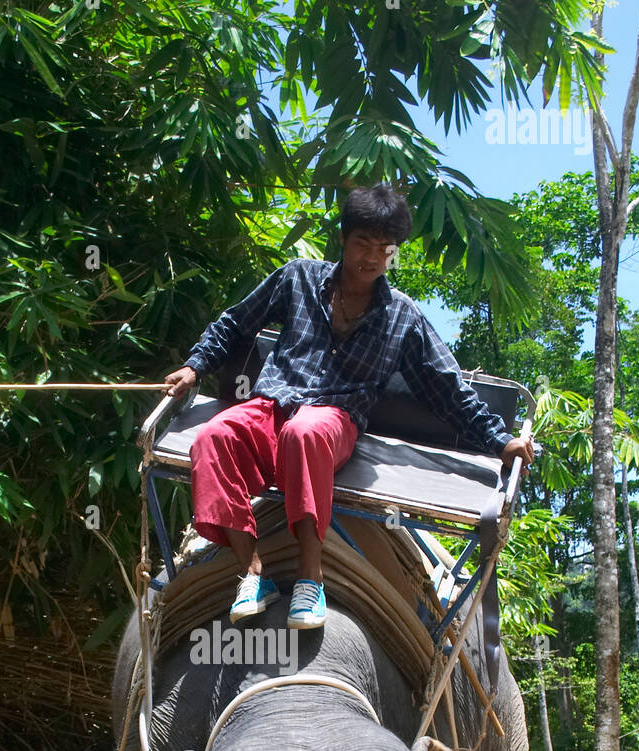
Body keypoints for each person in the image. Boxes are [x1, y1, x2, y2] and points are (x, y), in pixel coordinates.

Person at [163, 185, 534, 630]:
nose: (373, 258)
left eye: (385, 249)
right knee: (213, 437)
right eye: (363, 243)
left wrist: (500, 440)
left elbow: (447, 389)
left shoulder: (403, 317)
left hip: (332, 422)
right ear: (342, 238)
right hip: (272, 406)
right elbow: (234, 321)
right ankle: (252, 571)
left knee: (306, 431)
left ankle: (310, 578)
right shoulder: (296, 277)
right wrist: (194, 366)